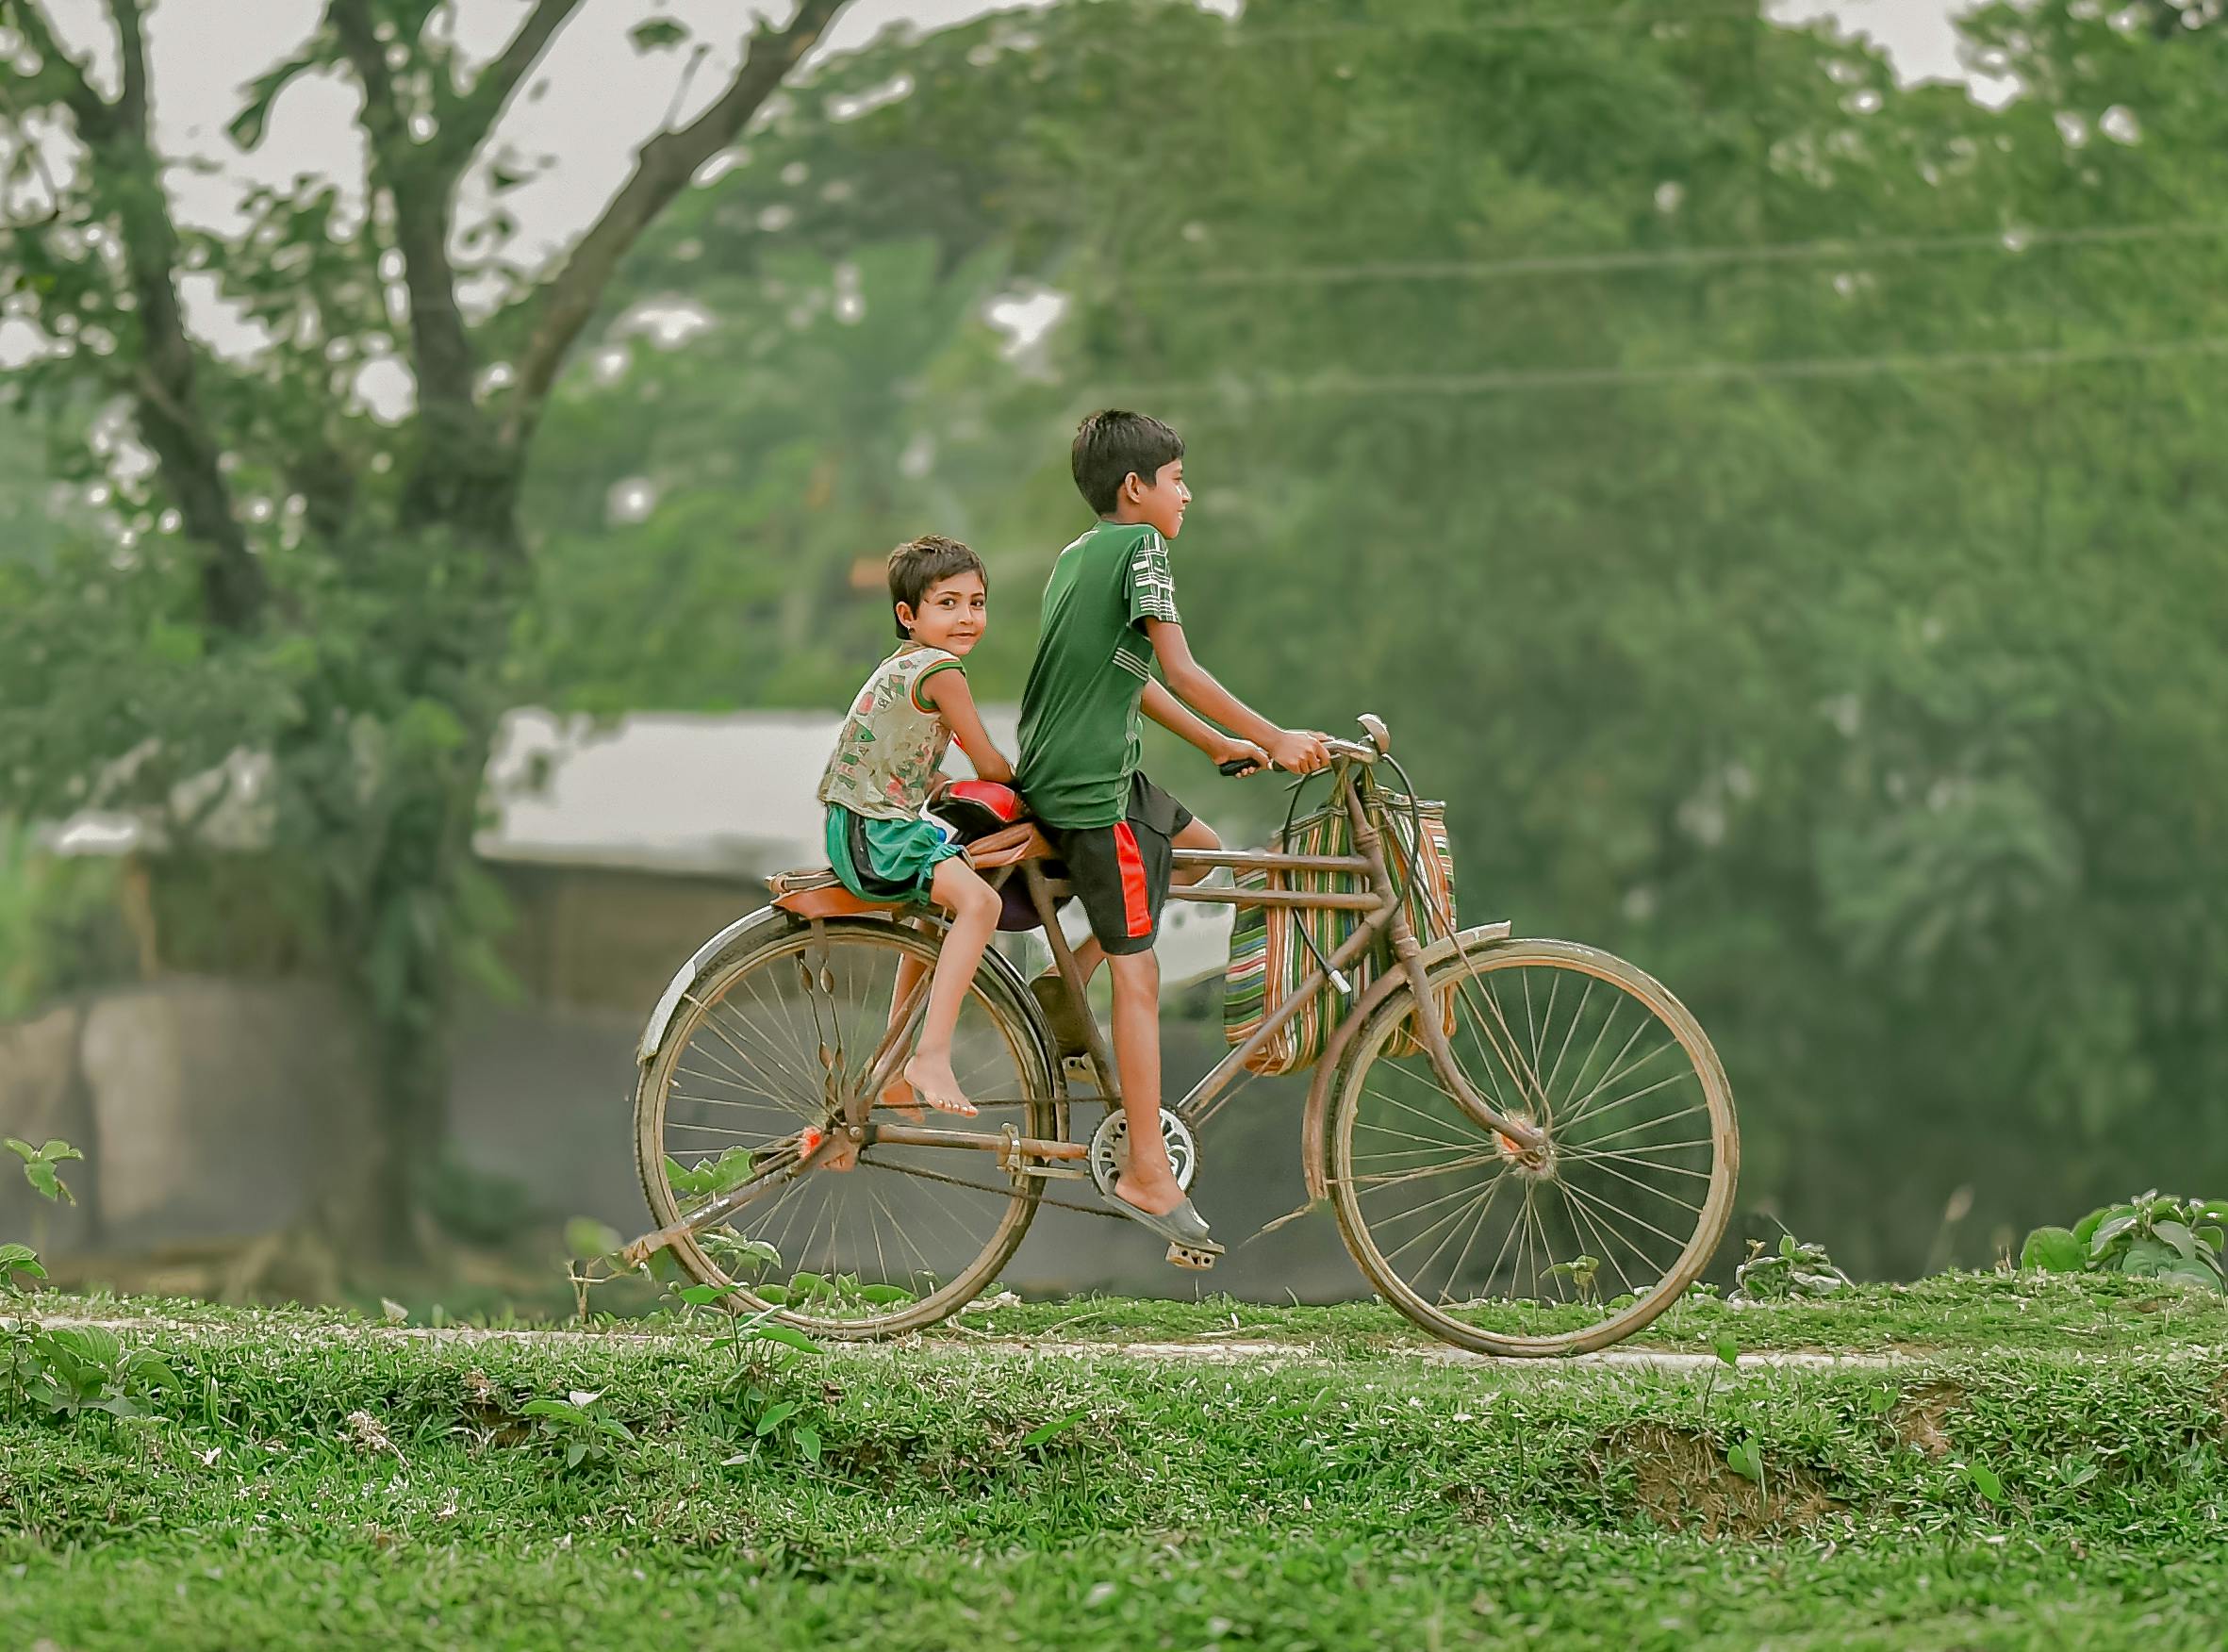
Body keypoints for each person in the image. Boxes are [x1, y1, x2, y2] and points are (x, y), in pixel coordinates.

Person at [1016, 410, 1329, 1251]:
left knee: (1200, 858)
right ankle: (1147, 1171)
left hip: (1079, 768)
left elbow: (1131, 674)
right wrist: (1278, 738)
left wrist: (1218, 742)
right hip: (1091, 790)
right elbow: (1181, 666)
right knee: (1142, 974)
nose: (1186, 494)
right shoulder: (1142, 551)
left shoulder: (1077, 557)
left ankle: (1067, 986)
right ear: (1136, 488)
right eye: (1178, 479)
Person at [817, 535, 1015, 1117]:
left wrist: (942, 787)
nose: (967, 617)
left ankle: (890, 1063)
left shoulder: (901, 667)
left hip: (862, 826)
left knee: (938, 919)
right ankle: (930, 1054)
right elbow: (991, 765)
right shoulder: (941, 671)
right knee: (981, 905)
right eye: (947, 603)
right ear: (909, 615)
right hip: (876, 836)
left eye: (976, 603)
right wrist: (1023, 786)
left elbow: (903, 764)